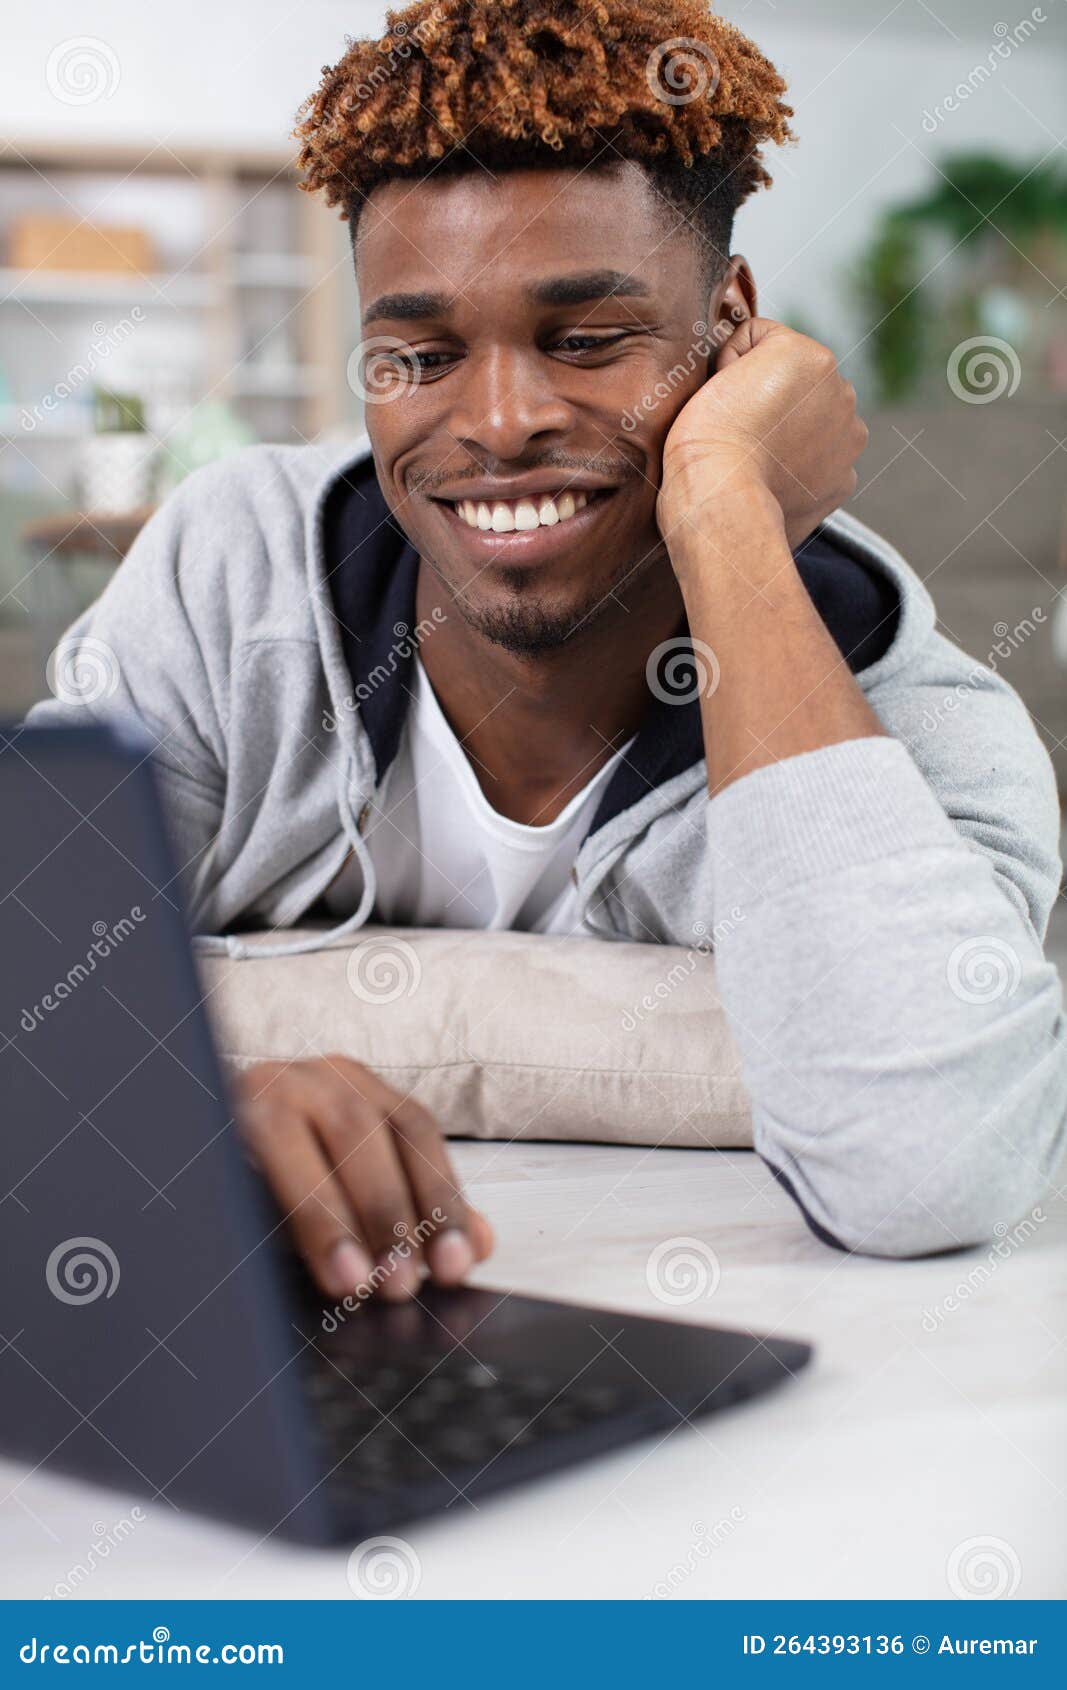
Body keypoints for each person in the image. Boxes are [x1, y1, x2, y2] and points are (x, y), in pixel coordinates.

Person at [27, 0, 1065, 1297]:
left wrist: (726, 510)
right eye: (421, 352)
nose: (501, 421)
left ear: (735, 331)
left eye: (587, 341)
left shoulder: (922, 728)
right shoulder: (227, 574)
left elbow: (931, 1161)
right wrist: (184, 1111)